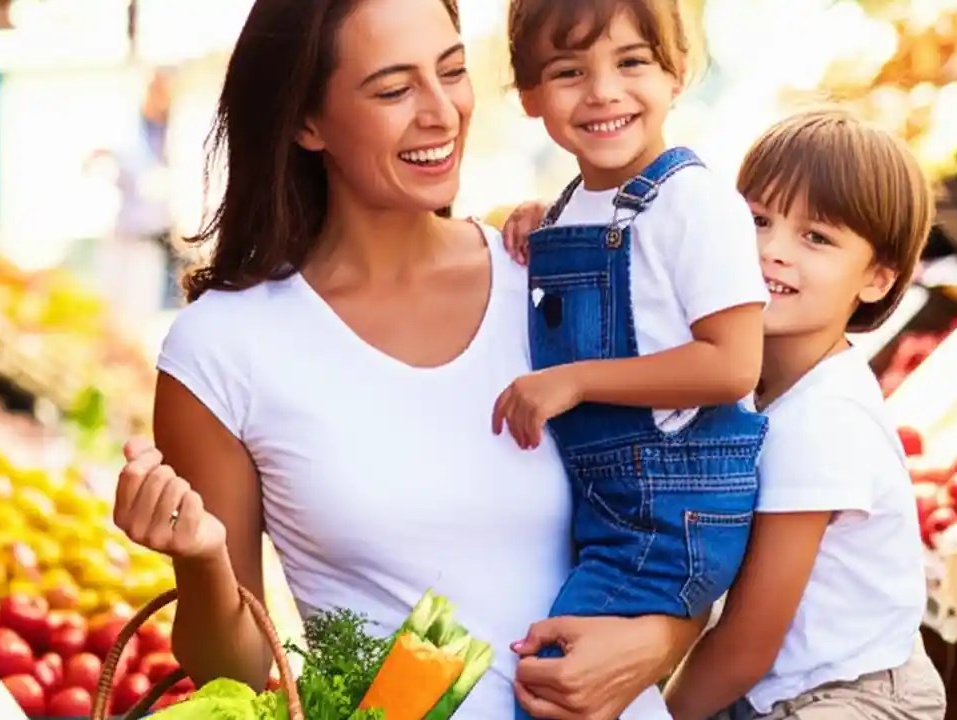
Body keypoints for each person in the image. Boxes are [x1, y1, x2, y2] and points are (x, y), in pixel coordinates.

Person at [111, 1, 702, 718]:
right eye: (394, 90)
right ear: (306, 121)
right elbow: (232, 670)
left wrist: (665, 637)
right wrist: (203, 560)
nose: (442, 113)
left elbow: (701, 494)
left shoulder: (550, 277)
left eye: (451, 72)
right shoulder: (222, 351)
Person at [496, 3, 768, 718]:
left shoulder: (695, 203)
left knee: (554, 687)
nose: (603, 91)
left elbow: (733, 364)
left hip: (669, 512)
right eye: (568, 72)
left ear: (678, 75)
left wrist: (576, 379)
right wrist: (535, 225)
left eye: (631, 62)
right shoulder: (572, 208)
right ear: (530, 97)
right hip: (612, 509)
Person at [661, 110, 947, 719]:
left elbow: (746, 644)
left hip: (856, 697)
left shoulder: (823, 420)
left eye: (815, 237)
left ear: (876, 278)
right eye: (758, 220)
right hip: (774, 689)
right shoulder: (747, 377)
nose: (771, 251)